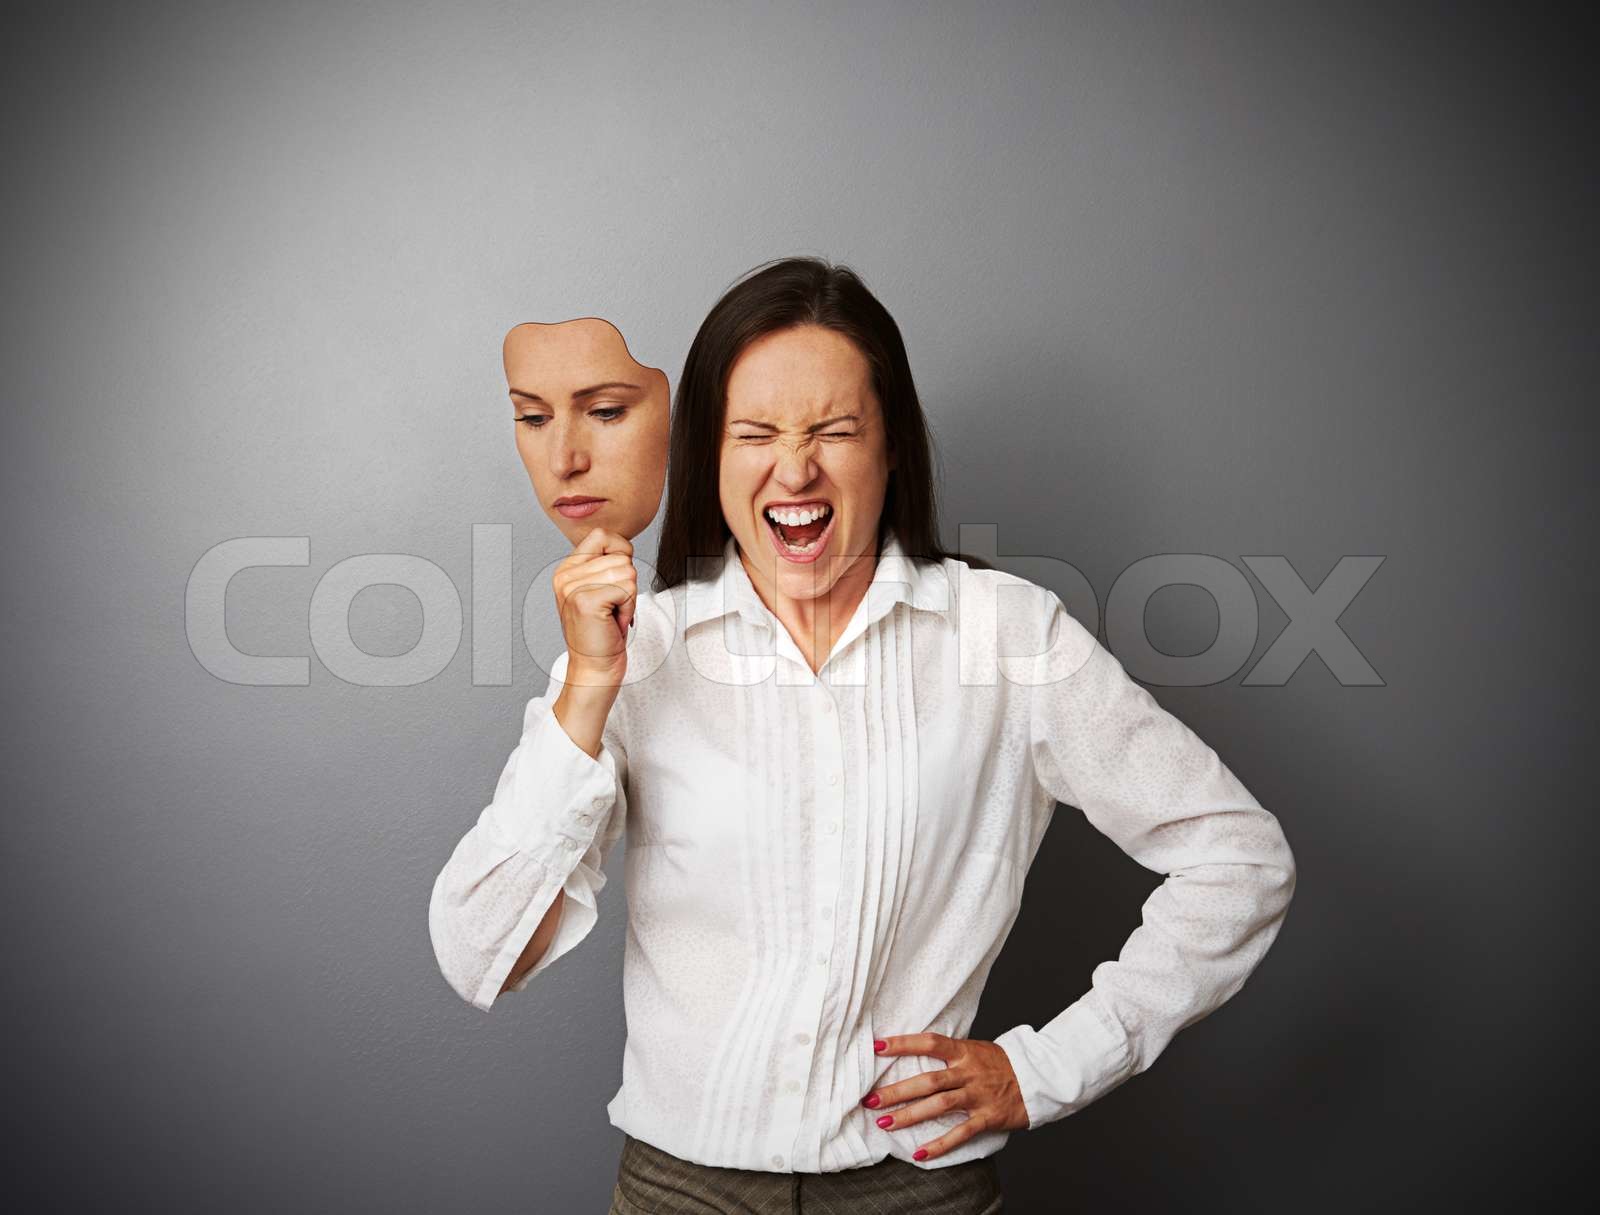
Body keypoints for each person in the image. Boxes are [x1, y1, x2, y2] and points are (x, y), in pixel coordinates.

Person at [428, 257, 1298, 1214]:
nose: (793, 469)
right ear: (708, 457)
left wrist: (1042, 1068)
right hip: (681, 1190)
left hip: (918, 1192)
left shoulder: (1006, 635)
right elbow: (480, 956)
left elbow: (1239, 859)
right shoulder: (637, 655)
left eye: (835, 431)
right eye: (754, 432)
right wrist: (589, 687)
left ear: (891, 451)